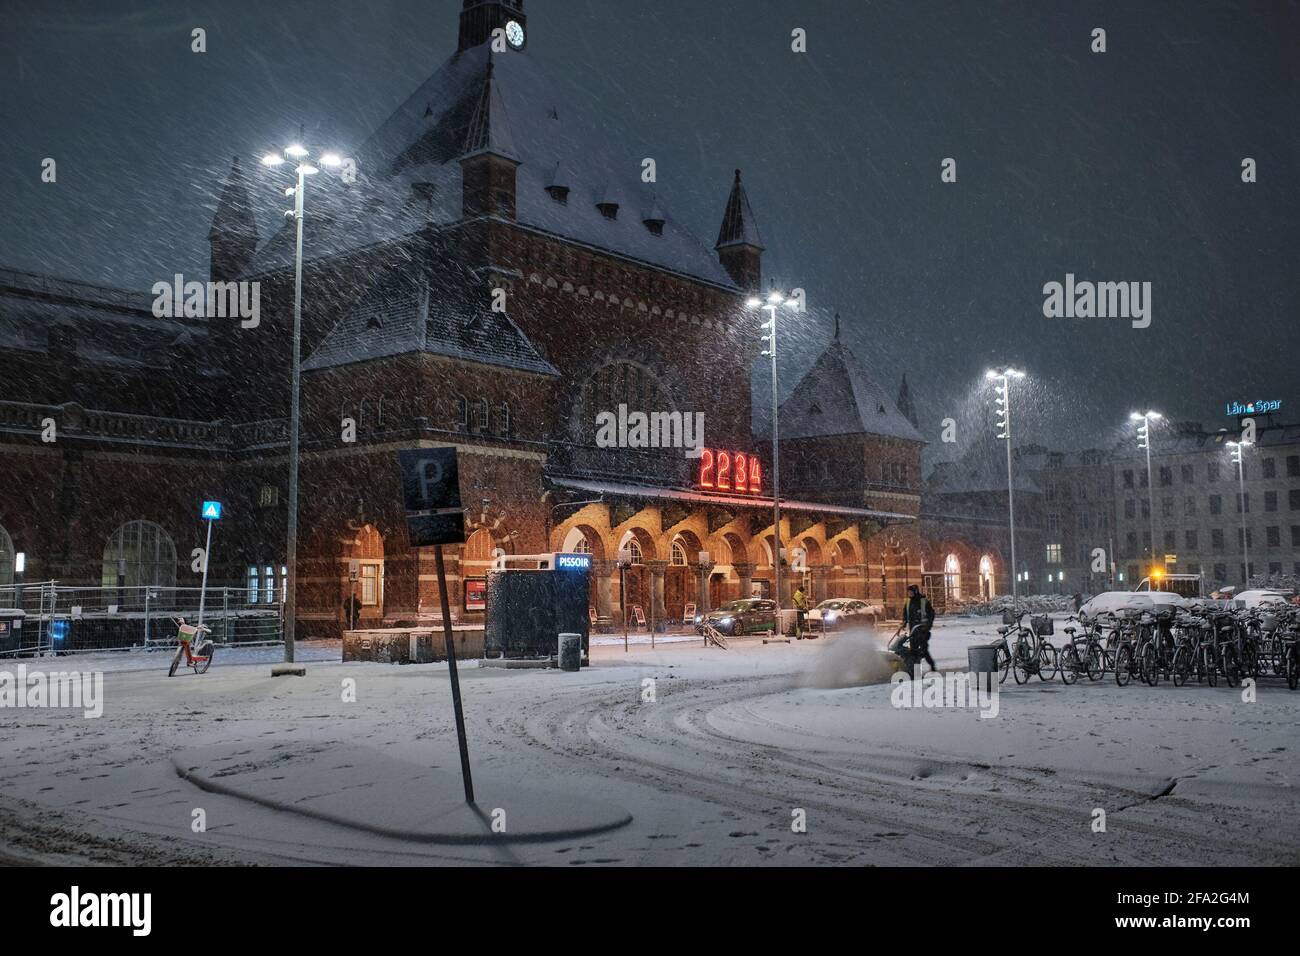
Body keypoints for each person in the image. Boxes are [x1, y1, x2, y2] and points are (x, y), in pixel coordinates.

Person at [892, 584, 937, 677]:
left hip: (922, 630)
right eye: (908, 592)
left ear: (915, 591)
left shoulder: (923, 601)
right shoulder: (908, 601)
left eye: (911, 592)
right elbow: (905, 615)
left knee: (923, 650)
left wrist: (928, 626)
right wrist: (903, 624)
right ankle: (915, 673)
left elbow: (931, 614)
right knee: (913, 651)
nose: (909, 594)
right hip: (912, 630)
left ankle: (932, 665)